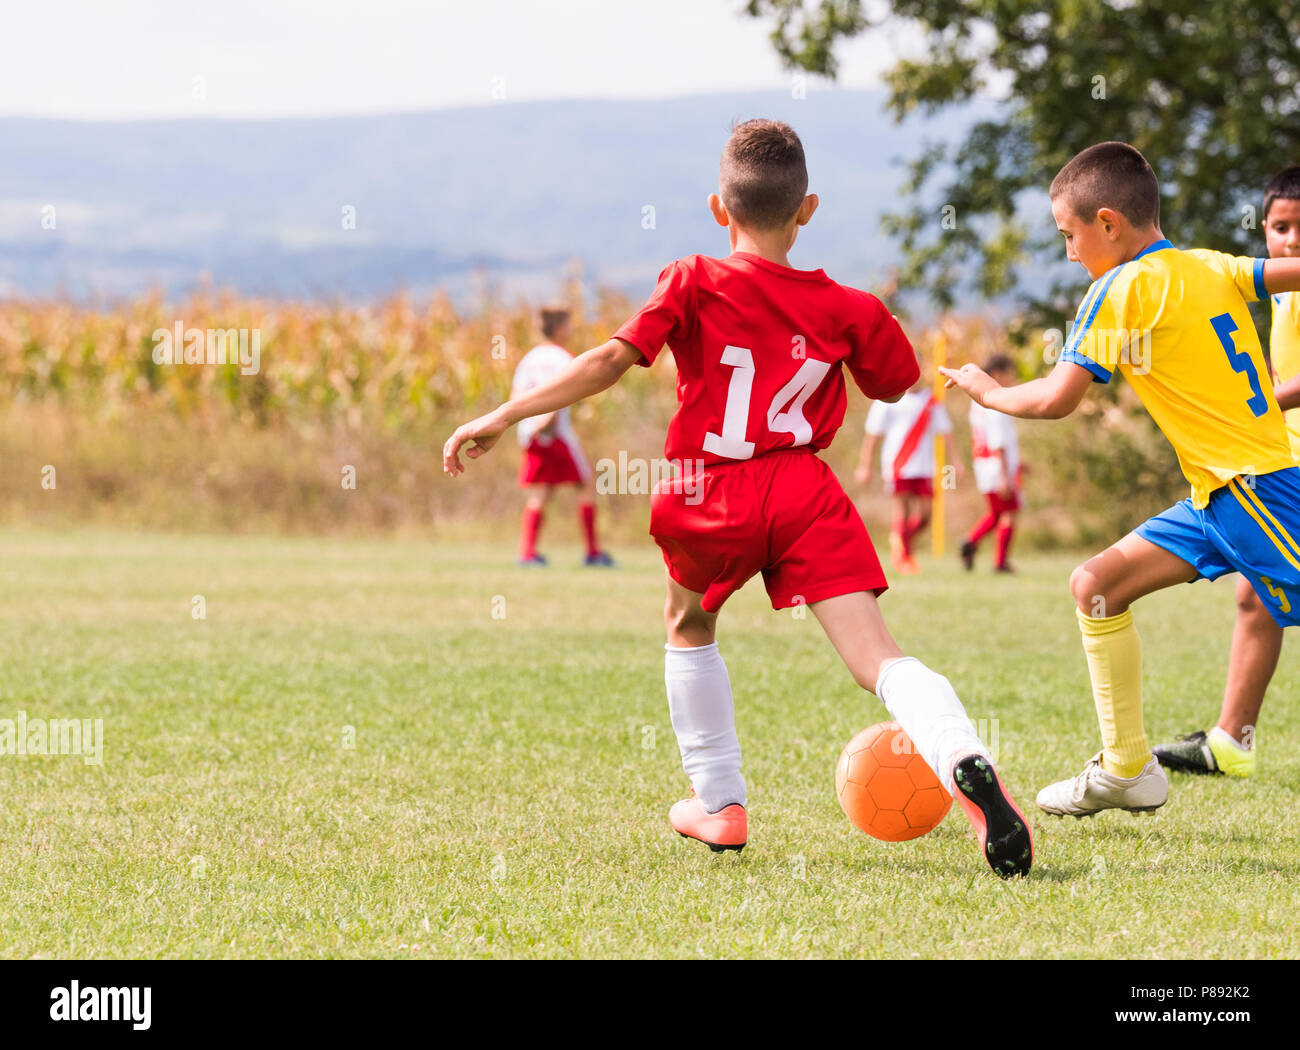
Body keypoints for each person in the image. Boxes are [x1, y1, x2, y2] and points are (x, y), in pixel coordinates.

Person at [446, 119, 1032, 878]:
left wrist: (502, 414)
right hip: (801, 487)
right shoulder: (848, 307)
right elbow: (896, 379)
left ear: (720, 209)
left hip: (707, 486)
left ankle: (720, 805)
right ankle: (962, 753)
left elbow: (606, 361)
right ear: (808, 209)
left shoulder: (693, 276)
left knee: (690, 625)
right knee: (877, 658)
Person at [941, 142, 1300, 818]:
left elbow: (1054, 399)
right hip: (1215, 498)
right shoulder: (1209, 264)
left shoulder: (1117, 290)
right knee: (1096, 586)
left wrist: (988, 392)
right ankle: (1126, 768)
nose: (1069, 252)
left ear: (1107, 224)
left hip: (1259, 491)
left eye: (1069, 235)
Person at [1154, 166, 1300, 777]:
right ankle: (1231, 742)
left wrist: (1261, 399)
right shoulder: (1281, 293)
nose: (1290, 240)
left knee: (1263, 593)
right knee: (1254, 595)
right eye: (1280, 227)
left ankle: (1231, 741)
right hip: (1283, 461)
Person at [511, 304, 613, 567]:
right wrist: (548, 421)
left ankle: (527, 553)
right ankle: (592, 553)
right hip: (554, 433)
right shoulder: (563, 359)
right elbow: (559, 394)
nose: (571, 330)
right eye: (568, 325)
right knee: (586, 483)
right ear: (558, 328)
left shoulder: (529, 359)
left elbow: (515, 397)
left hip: (530, 434)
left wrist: (527, 427)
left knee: (541, 491)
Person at [856, 374, 951, 573]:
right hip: (898, 463)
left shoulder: (931, 400)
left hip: (925, 466)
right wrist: (865, 466)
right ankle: (905, 558)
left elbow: (945, 432)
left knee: (926, 514)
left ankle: (899, 540)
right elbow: (872, 435)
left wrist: (955, 463)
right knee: (903, 510)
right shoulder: (888, 399)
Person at [960, 355, 1022, 574]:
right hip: (997, 467)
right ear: (996, 375)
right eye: (1009, 374)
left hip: (984, 464)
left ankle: (970, 544)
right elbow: (998, 440)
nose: (1012, 379)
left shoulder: (975, 401)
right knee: (1009, 512)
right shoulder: (994, 399)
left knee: (997, 513)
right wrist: (1006, 473)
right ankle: (999, 561)